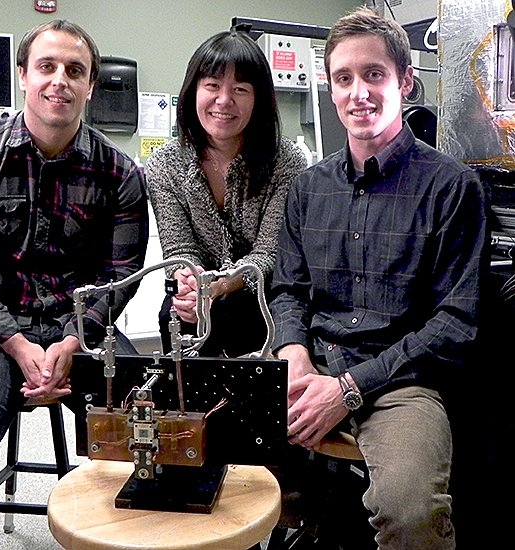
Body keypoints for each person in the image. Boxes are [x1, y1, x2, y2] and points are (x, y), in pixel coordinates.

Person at [0, 20, 148, 549]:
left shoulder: (120, 174)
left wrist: (72, 339)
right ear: (23, 75)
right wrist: (19, 344)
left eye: (75, 70)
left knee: (162, 430)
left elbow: (120, 276)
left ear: (90, 85)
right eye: (46, 66)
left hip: (84, 333)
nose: (59, 80)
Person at [270, 6, 489, 549]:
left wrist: (348, 389)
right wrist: (293, 352)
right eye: (344, 78)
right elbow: (288, 290)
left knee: (410, 514)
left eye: (374, 75)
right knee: (216, 470)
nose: (359, 93)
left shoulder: (451, 188)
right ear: (330, 87)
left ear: (405, 81)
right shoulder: (308, 188)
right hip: (314, 364)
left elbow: (455, 324)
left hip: (402, 381)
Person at [145, 29, 307, 358]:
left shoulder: (287, 162)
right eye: (212, 85)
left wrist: (219, 286)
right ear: (193, 91)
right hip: (201, 292)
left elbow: (268, 255)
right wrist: (188, 284)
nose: (223, 100)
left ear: (259, 99)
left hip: (263, 296)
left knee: (241, 317)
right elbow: (179, 250)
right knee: (173, 314)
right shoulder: (164, 164)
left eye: (240, 89)